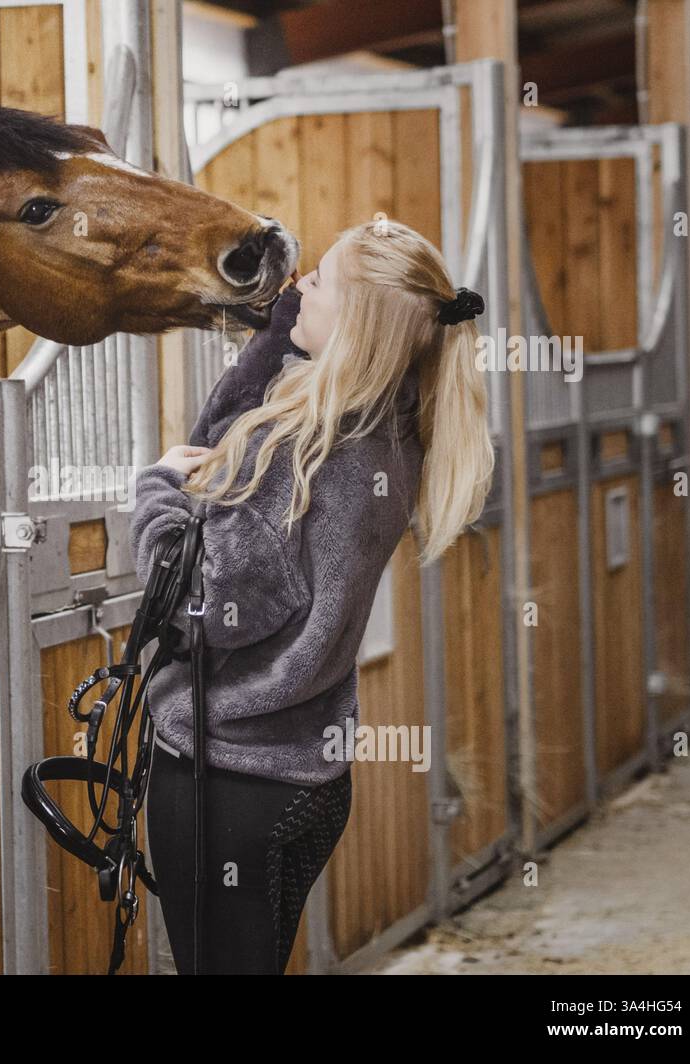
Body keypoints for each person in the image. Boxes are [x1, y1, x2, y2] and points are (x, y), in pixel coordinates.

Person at [128, 219, 495, 975]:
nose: (298, 289)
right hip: (303, 775)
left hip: (230, 778)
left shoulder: (304, 451)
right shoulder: (393, 434)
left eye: (318, 280)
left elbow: (200, 604)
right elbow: (230, 470)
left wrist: (156, 488)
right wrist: (277, 341)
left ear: (355, 322)